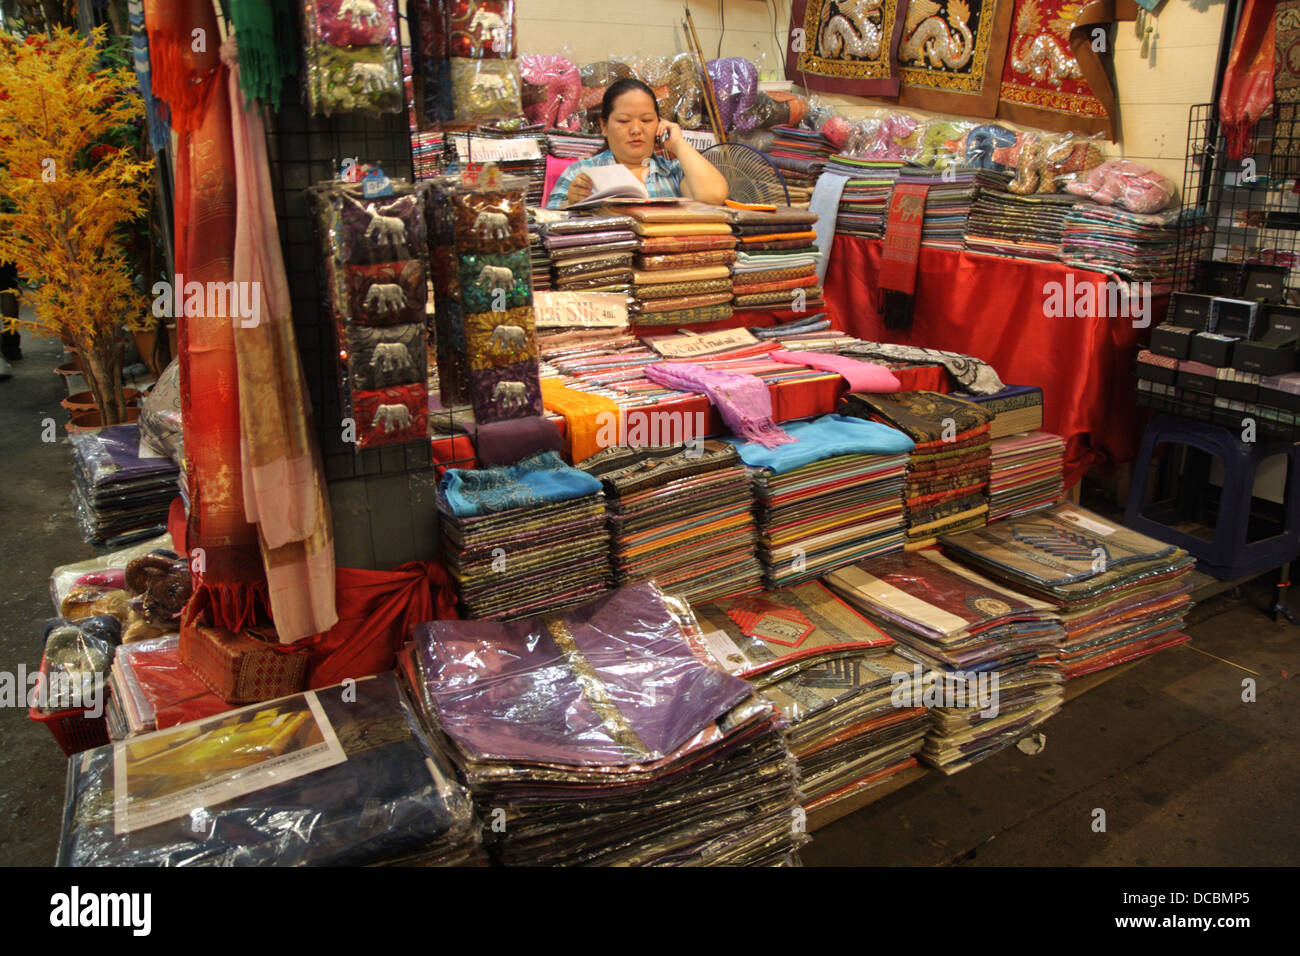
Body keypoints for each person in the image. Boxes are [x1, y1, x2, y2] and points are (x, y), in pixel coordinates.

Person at [546, 78, 729, 209]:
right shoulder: (581, 174)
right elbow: (548, 226)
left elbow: (713, 196)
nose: (636, 130)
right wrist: (570, 203)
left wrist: (678, 144)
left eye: (647, 120)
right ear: (604, 126)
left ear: (659, 123)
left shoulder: (674, 173)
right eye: (624, 121)